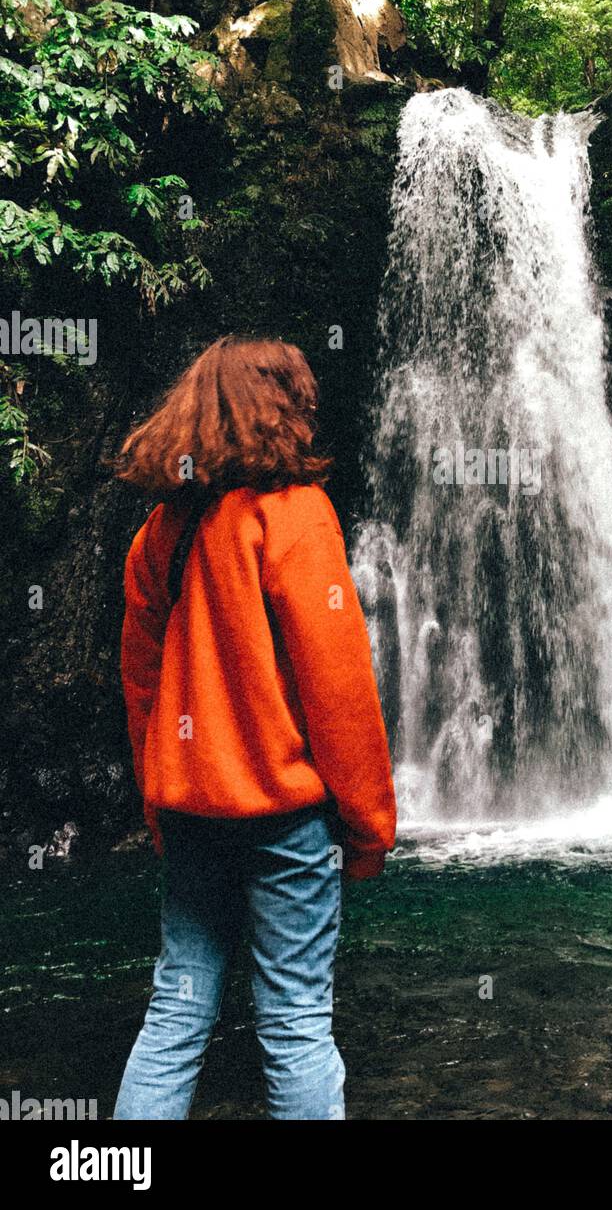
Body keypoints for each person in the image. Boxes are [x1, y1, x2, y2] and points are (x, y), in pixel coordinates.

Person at [112, 335, 395, 1120]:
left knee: (174, 1012)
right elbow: (335, 686)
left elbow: (141, 682)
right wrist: (370, 824)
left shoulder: (162, 530)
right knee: (297, 1021)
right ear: (284, 407)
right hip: (284, 818)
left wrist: (155, 797)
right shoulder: (296, 515)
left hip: (189, 813)